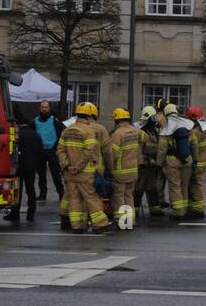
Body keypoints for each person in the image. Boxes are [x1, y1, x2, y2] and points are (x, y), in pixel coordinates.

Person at [58, 103, 113, 234]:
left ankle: (77, 226)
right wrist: (78, 167)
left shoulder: (67, 130)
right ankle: (100, 224)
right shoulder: (89, 131)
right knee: (91, 197)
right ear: (90, 115)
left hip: (69, 173)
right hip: (85, 172)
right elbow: (89, 152)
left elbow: (60, 150)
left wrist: (67, 165)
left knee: (74, 198)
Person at [160, 103, 196, 220]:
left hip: (172, 161)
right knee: (184, 186)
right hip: (187, 159)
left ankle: (178, 212)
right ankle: (184, 210)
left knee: (175, 187)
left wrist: (159, 162)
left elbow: (162, 148)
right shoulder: (187, 125)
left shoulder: (166, 127)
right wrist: (195, 159)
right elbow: (194, 144)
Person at [5, 109, 41, 223]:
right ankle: (31, 214)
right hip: (31, 167)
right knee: (31, 190)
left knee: (17, 191)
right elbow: (40, 151)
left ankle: (15, 213)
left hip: (19, 167)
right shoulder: (36, 135)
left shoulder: (18, 135)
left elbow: (12, 151)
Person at [109, 108, 142, 230]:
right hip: (133, 170)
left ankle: (122, 221)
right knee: (129, 195)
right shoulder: (135, 131)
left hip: (120, 171)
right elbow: (146, 139)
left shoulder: (118, 134)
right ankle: (130, 221)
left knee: (119, 195)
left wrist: (108, 167)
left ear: (116, 119)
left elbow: (113, 154)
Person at [136, 105, 166, 218]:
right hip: (143, 165)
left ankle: (155, 209)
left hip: (153, 165)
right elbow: (141, 149)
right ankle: (135, 210)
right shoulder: (140, 132)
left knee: (152, 188)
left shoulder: (154, 131)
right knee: (138, 189)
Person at [33, 99, 65, 202]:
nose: (44, 109)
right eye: (42, 107)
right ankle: (43, 194)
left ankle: (61, 194)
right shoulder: (35, 121)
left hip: (52, 149)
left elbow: (62, 133)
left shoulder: (54, 120)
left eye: (46, 107)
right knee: (41, 174)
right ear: (40, 108)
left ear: (49, 108)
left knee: (55, 173)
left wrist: (58, 147)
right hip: (40, 150)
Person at [185, 106, 206, 219]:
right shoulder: (205, 129)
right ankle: (193, 208)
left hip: (196, 162)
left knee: (195, 185)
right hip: (203, 161)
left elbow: (190, 146)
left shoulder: (194, 132)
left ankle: (198, 210)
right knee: (194, 185)